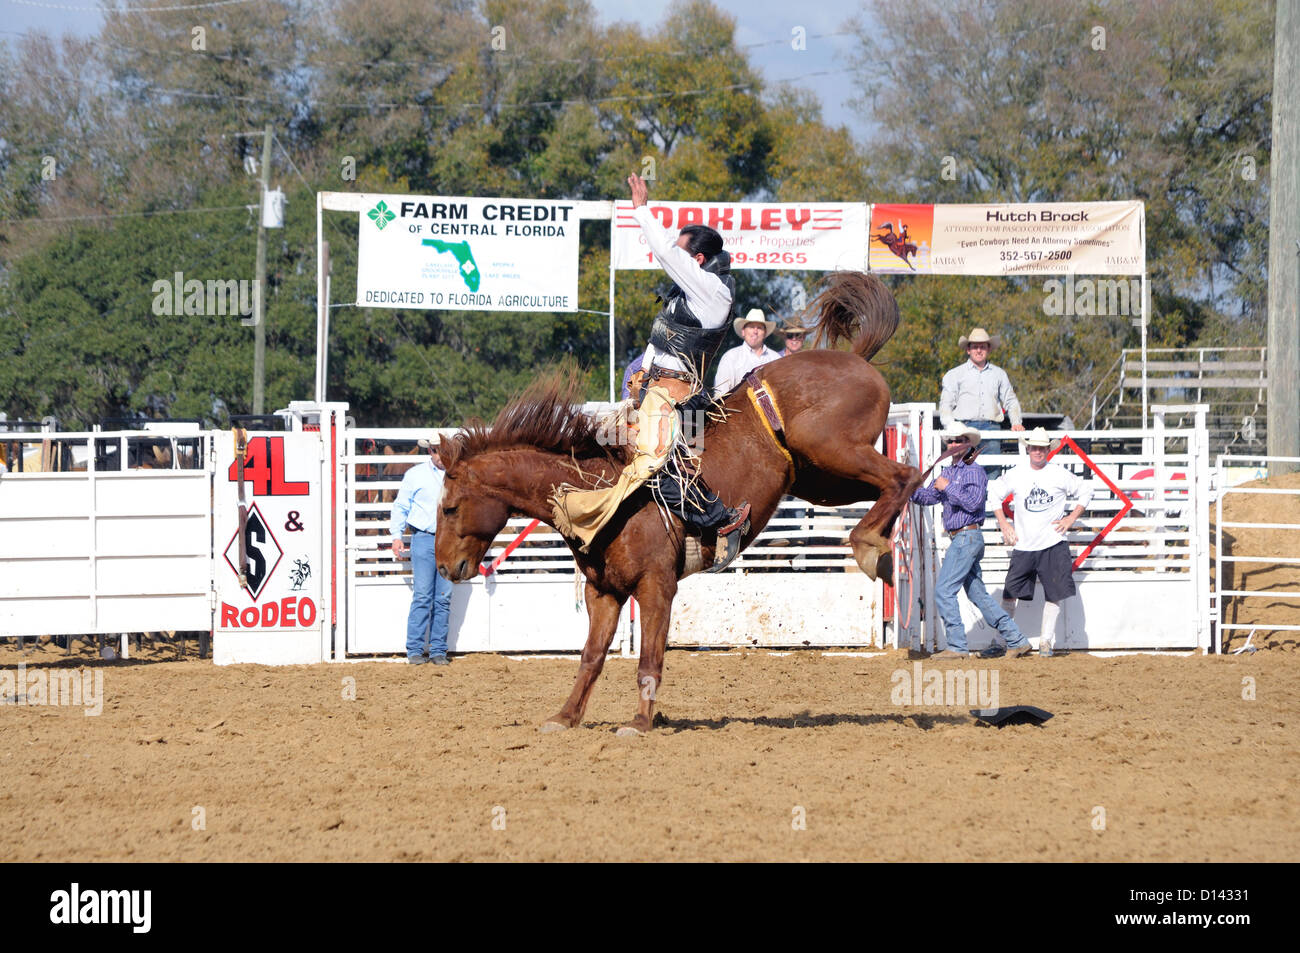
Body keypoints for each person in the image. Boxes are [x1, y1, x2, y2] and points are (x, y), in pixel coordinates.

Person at [550, 173, 750, 572]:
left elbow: (664, 252)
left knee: (656, 468)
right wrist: (636, 382)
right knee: (609, 444)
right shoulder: (698, 292)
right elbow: (663, 344)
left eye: (681, 252)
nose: (673, 258)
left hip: (678, 398)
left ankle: (718, 521)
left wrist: (641, 209)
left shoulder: (713, 291)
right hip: (657, 393)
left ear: (696, 260)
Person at [912, 426, 1031, 659]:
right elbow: (927, 497)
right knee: (978, 595)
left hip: (967, 536)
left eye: (960, 441)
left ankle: (956, 647)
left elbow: (974, 504)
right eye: (951, 441)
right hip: (964, 538)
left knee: (944, 591)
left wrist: (948, 487)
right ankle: (1017, 639)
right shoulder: (947, 471)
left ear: (969, 445)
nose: (954, 444)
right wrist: (907, 487)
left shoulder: (974, 471)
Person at [987, 428, 1093, 657]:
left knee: (1054, 593)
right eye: (1034, 447)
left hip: (1053, 542)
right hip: (1024, 544)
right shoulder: (1016, 474)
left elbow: (1085, 490)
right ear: (1028, 449)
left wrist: (1071, 518)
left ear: (1048, 450)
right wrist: (1004, 524)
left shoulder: (1059, 474)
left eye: (1041, 447)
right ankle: (1000, 639)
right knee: (1009, 592)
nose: (1037, 451)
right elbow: (993, 493)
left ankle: (1046, 641)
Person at [390, 438, 454, 665]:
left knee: (443, 598)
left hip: (449, 540)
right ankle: (415, 649)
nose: (440, 456)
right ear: (430, 450)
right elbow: (401, 506)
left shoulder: (457, 473)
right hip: (424, 537)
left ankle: (438, 650)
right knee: (423, 596)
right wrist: (396, 535)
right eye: (437, 451)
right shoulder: (415, 475)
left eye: (444, 451)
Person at [939, 327, 1025, 465]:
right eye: (975, 347)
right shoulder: (955, 374)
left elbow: (1010, 400)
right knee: (964, 470)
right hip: (965, 429)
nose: (979, 350)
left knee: (992, 471)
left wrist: (1016, 423)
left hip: (992, 429)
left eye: (982, 347)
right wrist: (952, 427)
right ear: (968, 350)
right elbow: (946, 404)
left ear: (988, 349)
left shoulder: (999, 374)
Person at [713, 309, 781, 395]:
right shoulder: (730, 357)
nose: (755, 331)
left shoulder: (776, 358)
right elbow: (720, 393)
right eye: (751, 327)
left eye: (759, 328)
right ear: (743, 331)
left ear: (765, 333)